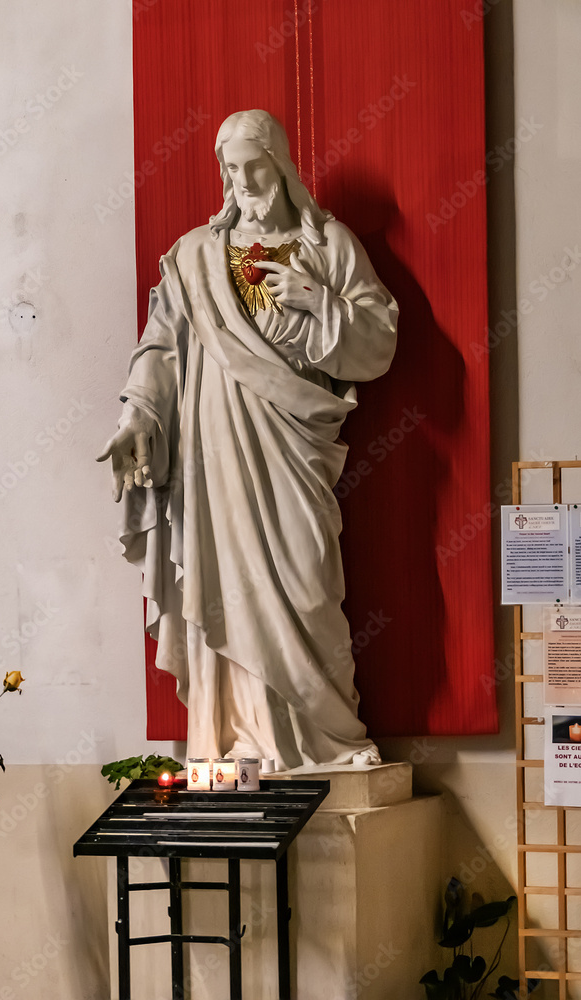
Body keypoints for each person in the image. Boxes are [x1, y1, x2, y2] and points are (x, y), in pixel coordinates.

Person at [98, 109, 398, 771]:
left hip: (294, 441)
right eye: (230, 168)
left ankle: (328, 737)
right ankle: (235, 738)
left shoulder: (328, 243)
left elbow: (378, 342)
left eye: (254, 166)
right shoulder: (194, 256)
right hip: (213, 447)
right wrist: (138, 414)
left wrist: (317, 299)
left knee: (308, 579)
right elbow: (161, 346)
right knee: (223, 578)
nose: (243, 180)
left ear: (282, 165)